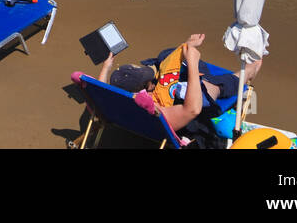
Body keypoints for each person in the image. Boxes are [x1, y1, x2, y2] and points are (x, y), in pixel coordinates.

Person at [98, 33, 260, 147]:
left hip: (137, 124)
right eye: (150, 82)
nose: (153, 82)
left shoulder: (108, 105)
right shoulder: (156, 110)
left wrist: (106, 68)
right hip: (200, 93)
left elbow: (99, 92)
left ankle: (187, 51)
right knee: (210, 86)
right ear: (146, 90)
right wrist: (193, 65)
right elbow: (192, 109)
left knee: (165, 55)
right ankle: (247, 73)